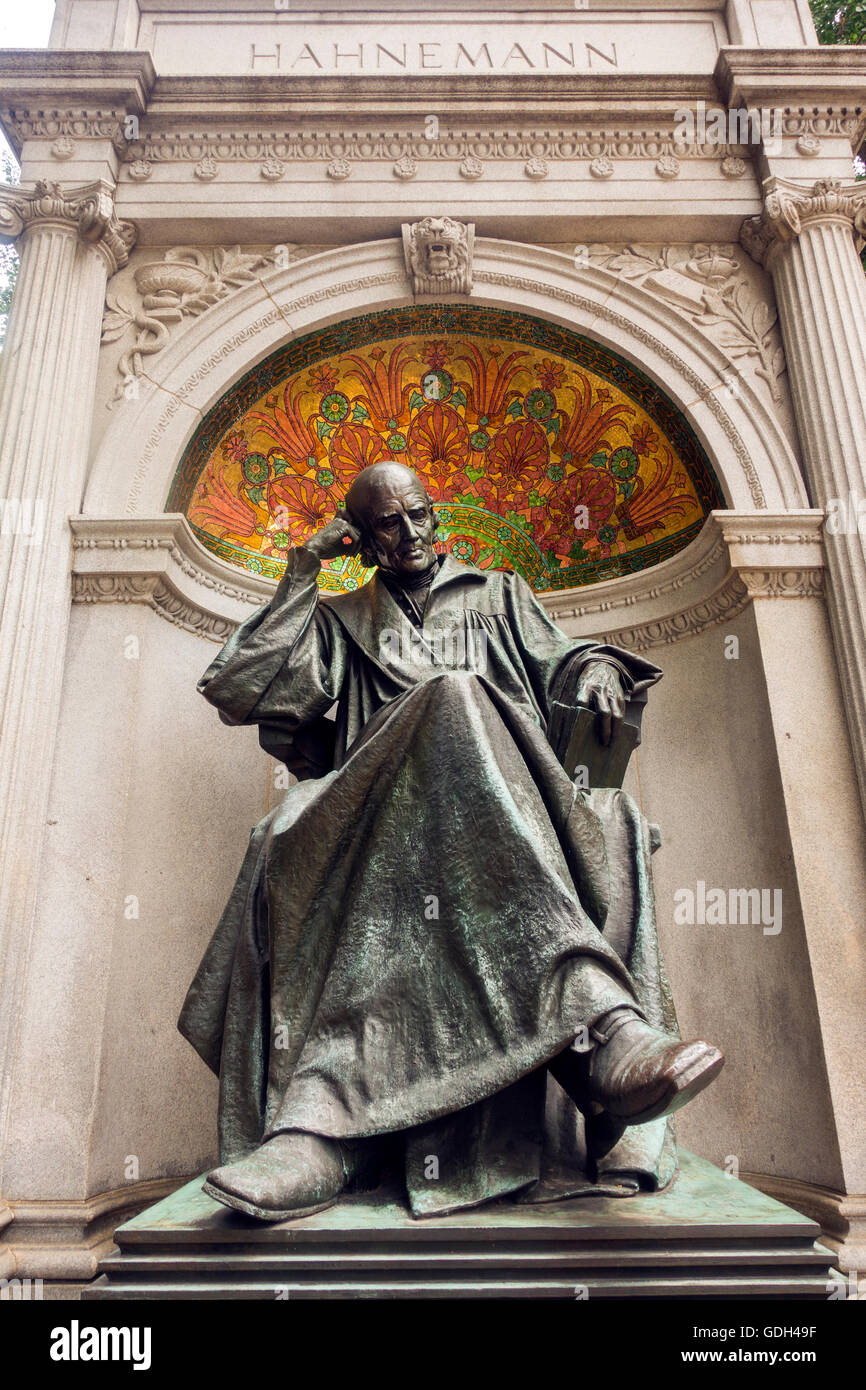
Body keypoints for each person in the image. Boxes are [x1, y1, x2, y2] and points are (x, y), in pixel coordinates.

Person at [179, 460, 723, 1222]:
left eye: (421, 515)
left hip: (505, 805)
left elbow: (561, 656)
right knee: (451, 691)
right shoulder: (339, 619)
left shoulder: (499, 594)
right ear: (361, 540)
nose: (412, 534)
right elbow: (240, 688)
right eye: (389, 525)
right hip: (376, 811)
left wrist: (595, 663)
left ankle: (325, 1125)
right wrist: (301, 574)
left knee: (479, 712)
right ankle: (602, 1037)